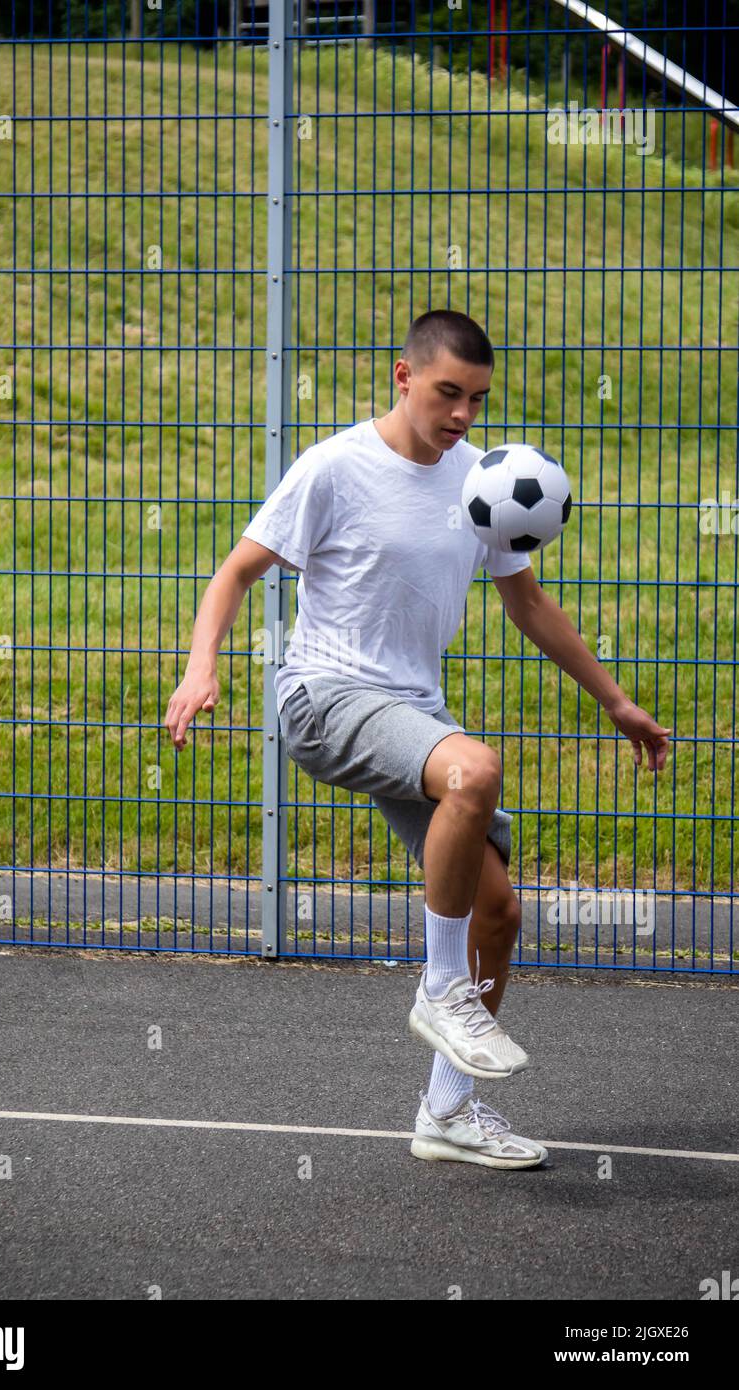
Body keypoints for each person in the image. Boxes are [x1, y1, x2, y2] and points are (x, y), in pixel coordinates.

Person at [165, 309, 672, 1171]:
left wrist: (616, 702)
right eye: (448, 393)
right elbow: (236, 570)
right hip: (324, 698)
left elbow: (529, 604)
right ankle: (441, 988)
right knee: (474, 770)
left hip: (409, 713)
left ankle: (447, 1113)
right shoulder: (333, 467)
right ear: (403, 378)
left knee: (500, 911)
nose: (464, 414)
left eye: (477, 398)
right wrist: (198, 667)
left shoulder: (482, 482)